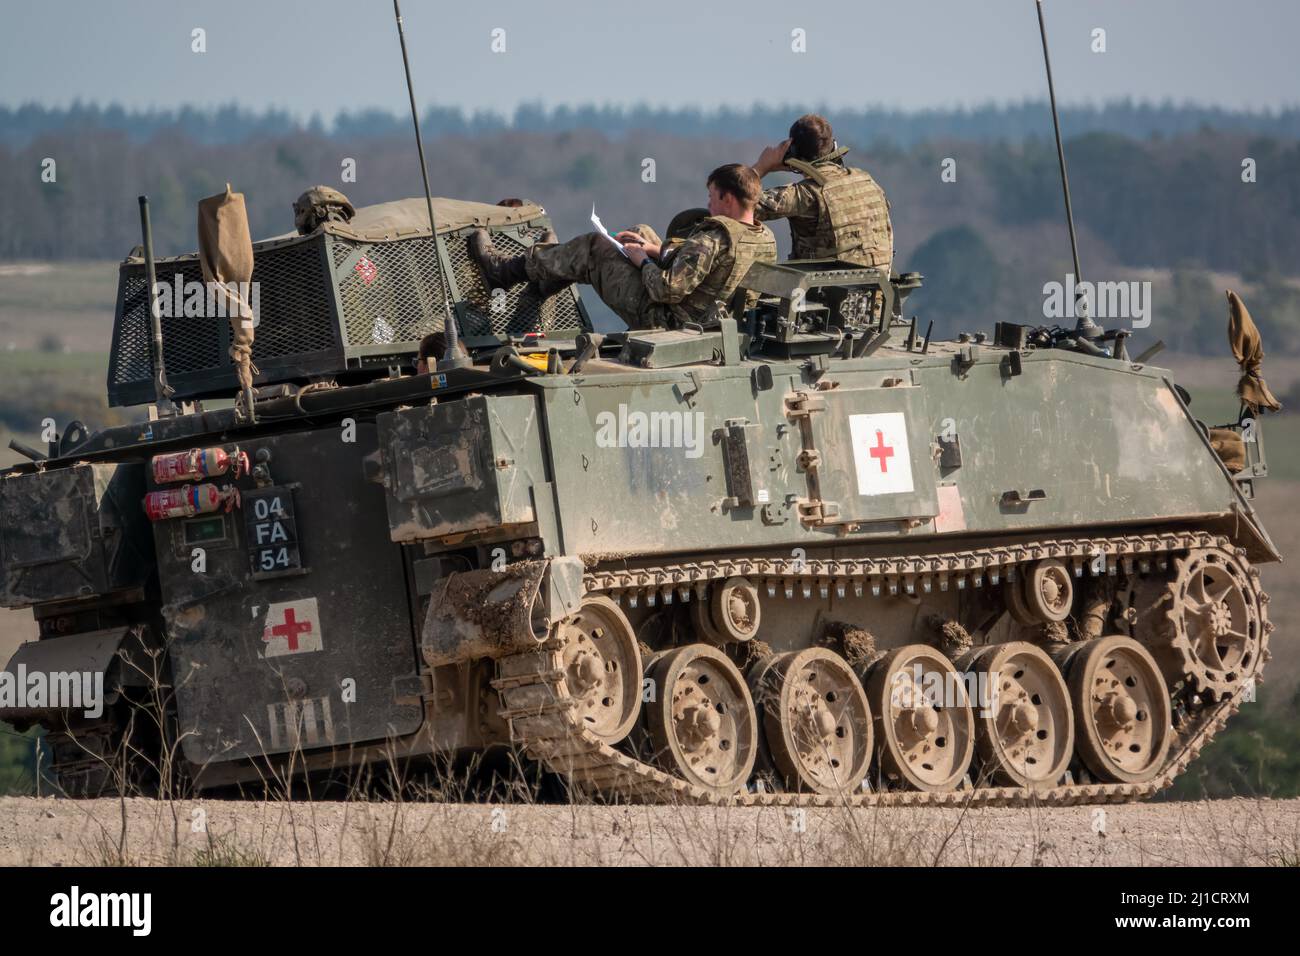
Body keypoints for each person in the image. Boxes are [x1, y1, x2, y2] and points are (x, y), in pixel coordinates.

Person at [469, 164, 776, 330]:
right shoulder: (764, 239)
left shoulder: (712, 238)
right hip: (709, 319)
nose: (709, 204)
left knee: (594, 247)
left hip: (666, 321)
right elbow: (712, 273)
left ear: (729, 199)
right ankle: (547, 276)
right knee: (638, 232)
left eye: (712, 196)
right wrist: (655, 251)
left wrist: (643, 261)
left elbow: (665, 291)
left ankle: (505, 271)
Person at [751, 114, 893, 271]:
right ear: (834, 146)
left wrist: (761, 167)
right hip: (877, 289)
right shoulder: (867, 181)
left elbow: (737, 204)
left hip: (825, 291)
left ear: (791, 151)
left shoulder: (806, 194)